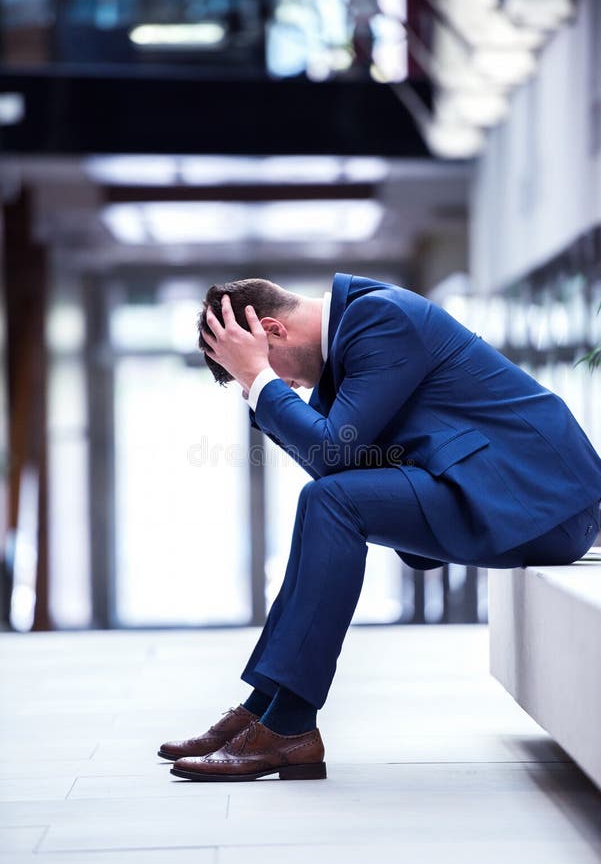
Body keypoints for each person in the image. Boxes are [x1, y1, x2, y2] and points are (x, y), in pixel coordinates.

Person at [161, 272, 601, 783]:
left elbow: (333, 456)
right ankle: (267, 711)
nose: (290, 386)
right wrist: (261, 383)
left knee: (330, 503)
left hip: (541, 502)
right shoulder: (352, 348)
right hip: (495, 492)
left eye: (256, 364)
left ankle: (287, 723)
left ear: (273, 331)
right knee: (328, 500)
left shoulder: (380, 318)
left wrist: (262, 382)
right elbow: (336, 465)